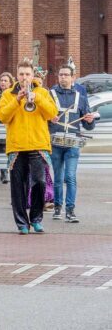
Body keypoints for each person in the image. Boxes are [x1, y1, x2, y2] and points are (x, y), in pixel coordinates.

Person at [0, 58, 58, 235]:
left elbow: (52, 113)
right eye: (21, 74)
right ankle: (22, 223)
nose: (24, 78)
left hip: (38, 144)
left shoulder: (43, 92)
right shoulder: (8, 94)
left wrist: (36, 98)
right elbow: (2, 116)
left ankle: (36, 218)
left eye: (27, 74)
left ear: (32, 76)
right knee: (18, 186)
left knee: (39, 182)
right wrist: (17, 100)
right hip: (17, 145)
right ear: (17, 75)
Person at [48, 63, 95, 223]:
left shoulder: (80, 97)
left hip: (73, 143)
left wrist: (89, 120)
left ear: (73, 78)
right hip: (55, 143)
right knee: (59, 177)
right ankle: (57, 208)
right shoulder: (50, 94)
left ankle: (70, 210)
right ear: (58, 77)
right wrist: (49, 119)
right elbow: (42, 120)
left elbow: (89, 125)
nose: (63, 77)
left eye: (66, 75)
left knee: (70, 176)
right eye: (61, 75)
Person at [0, 72, 15, 184]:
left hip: (11, 123)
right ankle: (4, 173)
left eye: (5, 81)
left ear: (10, 83)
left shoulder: (14, 93)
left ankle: (11, 170)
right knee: (2, 148)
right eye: (1, 80)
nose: (3, 82)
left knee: (11, 149)